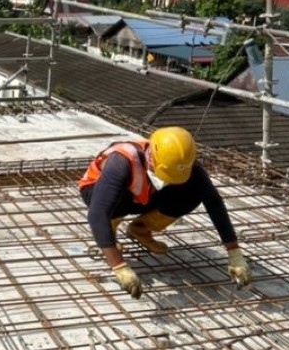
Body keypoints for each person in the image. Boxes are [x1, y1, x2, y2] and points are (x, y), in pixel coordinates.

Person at [79, 126, 251, 298]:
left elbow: (213, 202)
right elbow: (97, 212)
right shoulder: (122, 162)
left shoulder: (183, 163)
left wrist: (234, 252)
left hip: (145, 194)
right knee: (112, 203)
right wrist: (118, 266)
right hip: (99, 192)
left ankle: (140, 228)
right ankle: (110, 232)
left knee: (193, 193)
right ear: (152, 158)